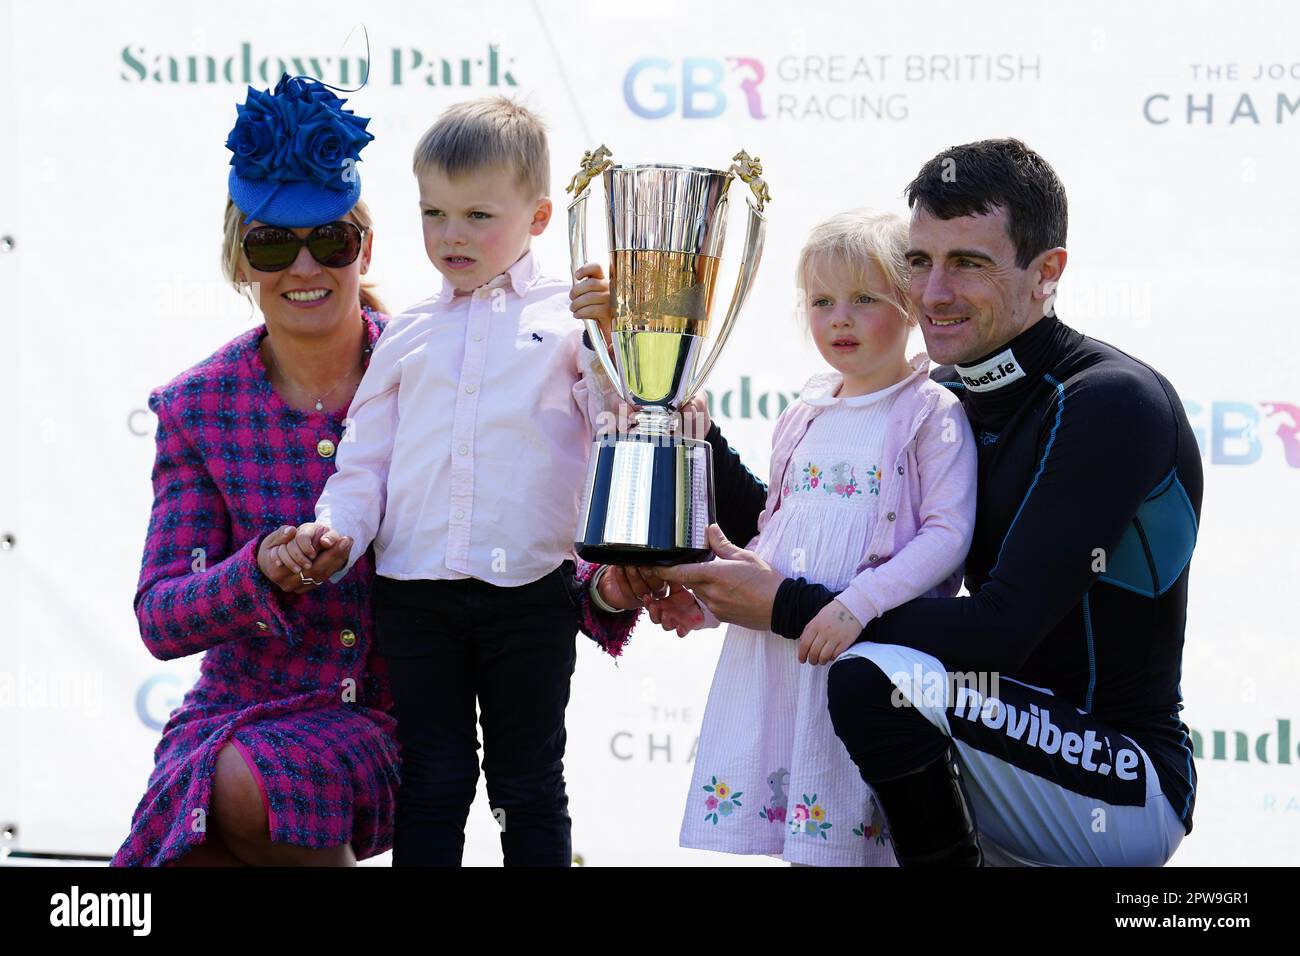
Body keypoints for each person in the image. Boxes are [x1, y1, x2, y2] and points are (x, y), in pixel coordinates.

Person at [112, 78, 638, 868]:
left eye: (328, 241)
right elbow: (160, 618)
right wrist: (257, 569)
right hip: (236, 714)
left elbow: (543, 493)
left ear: (364, 246)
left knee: (252, 789)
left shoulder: (452, 356)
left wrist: (616, 578)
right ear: (239, 259)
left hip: (396, 721)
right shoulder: (199, 407)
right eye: (269, 244)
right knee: (198, 836)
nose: (302, 266)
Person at [654, 139, 1201, 867]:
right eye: (919, 262)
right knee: (875, 676)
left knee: (877, 680)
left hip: (1121, 779)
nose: (933, 292)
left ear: (1047, 273)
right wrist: (684, 428)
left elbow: (1001, 631)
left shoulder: (1108, 400)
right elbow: (797, 522)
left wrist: (787, 605)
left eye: (968, 263)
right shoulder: (943, 393)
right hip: (989, 737)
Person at [278, 96, 638, 867]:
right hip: (415, 595)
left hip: (532, 595)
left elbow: (621, 425)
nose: (452, 235)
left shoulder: (574, 321)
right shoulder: (407, 329)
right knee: (434, 779)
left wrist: (615, 339)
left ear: (539, 218)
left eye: (478, 214)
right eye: (434, 213)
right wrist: (338, 526)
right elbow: (366, 459)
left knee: (530, 781)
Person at [572, 211, 976, 865]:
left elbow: (947, 537)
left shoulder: (931, 411)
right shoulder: (802, 415)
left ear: (909, 306)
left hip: (865, 664)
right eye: (821, 301)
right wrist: (708, 603)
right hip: (786, 666)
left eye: (864, 300)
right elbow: (774, 546)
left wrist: (854, 607)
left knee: (864, 846)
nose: (838, 318)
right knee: (807, 849)